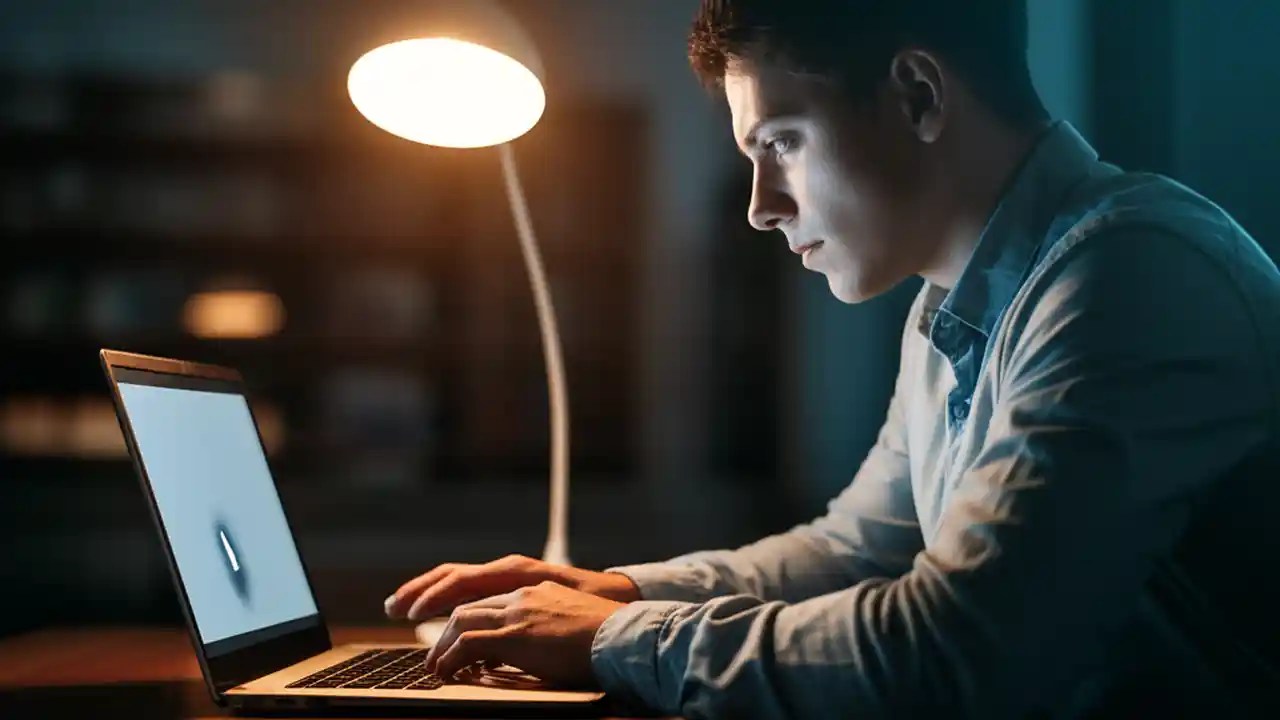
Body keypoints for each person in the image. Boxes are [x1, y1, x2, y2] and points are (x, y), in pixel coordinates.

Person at [384, 0, 1280, 716]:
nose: (760, 207)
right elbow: (857, 552)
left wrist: (613, 639)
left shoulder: (1131, 274)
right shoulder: (948, 310)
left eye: (780, 141)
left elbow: (956, 654)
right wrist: (613, 592)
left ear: (918, 95)